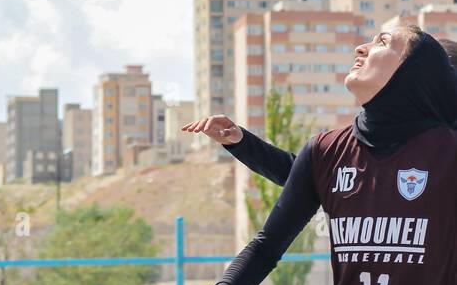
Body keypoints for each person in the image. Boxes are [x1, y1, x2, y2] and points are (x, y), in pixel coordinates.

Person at [184, 26, 457, 285]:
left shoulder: (446, 153)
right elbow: (268, 244)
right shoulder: (326, 150)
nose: (361, 48)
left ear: (415, 71)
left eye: (381, 42)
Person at [182, 38, 457, 187]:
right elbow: (303, 174)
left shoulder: (444, 153)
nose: (361, 50)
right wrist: (240, 141)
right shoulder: (374, 143)